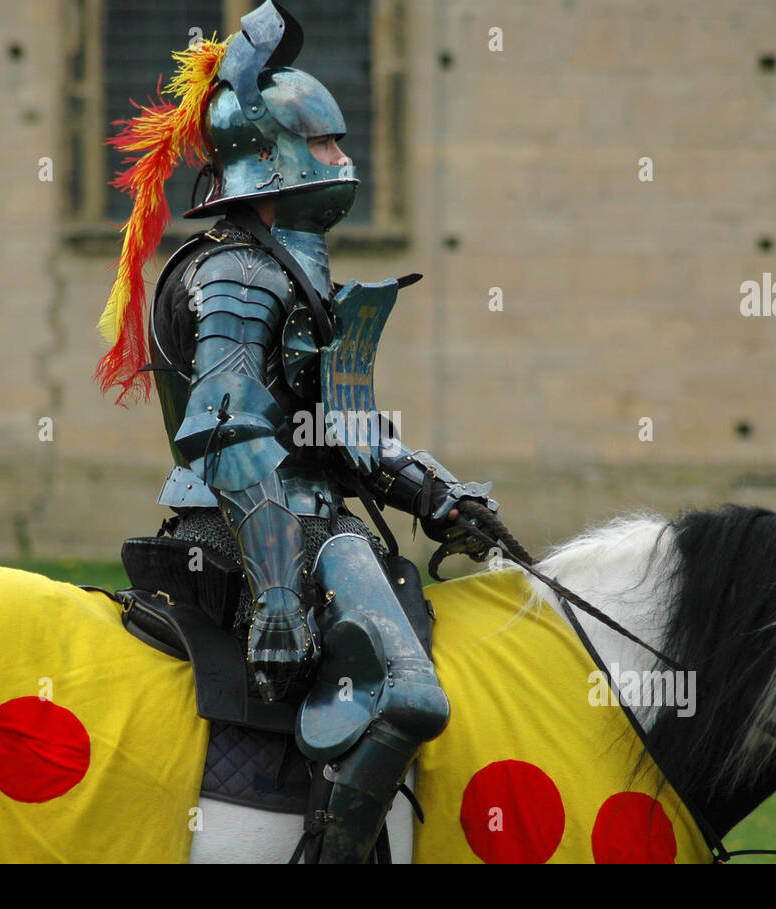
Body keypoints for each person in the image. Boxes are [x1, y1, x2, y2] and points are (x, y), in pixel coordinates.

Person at [96, 0, 498, 863]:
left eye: (340, 142)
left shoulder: (289, 269)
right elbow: (227, 432)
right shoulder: (238, 272)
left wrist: (441, 495)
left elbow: (341, 427)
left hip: (318, 523)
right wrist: (277, 591)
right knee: (410, 698)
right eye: (325, 145)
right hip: (261, 532)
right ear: (263, 158)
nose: (344, 160)